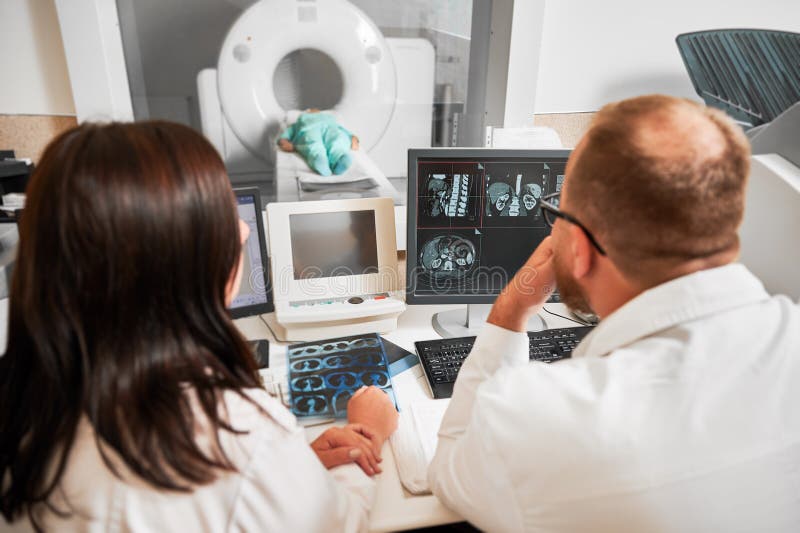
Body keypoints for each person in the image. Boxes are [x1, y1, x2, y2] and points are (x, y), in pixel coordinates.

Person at [0, 121, 398, 532]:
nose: (243, 230)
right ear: (170, 263)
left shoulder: (26, 404)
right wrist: (366, 431)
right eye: (221, 215)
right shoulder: (233, 436)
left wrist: (292, 470)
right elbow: (338, 523)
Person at [427, 95, 800, 532]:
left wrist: (510, 309)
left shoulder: (535, 419)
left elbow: (449, 468)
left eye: (557, 213)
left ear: (579, 249)